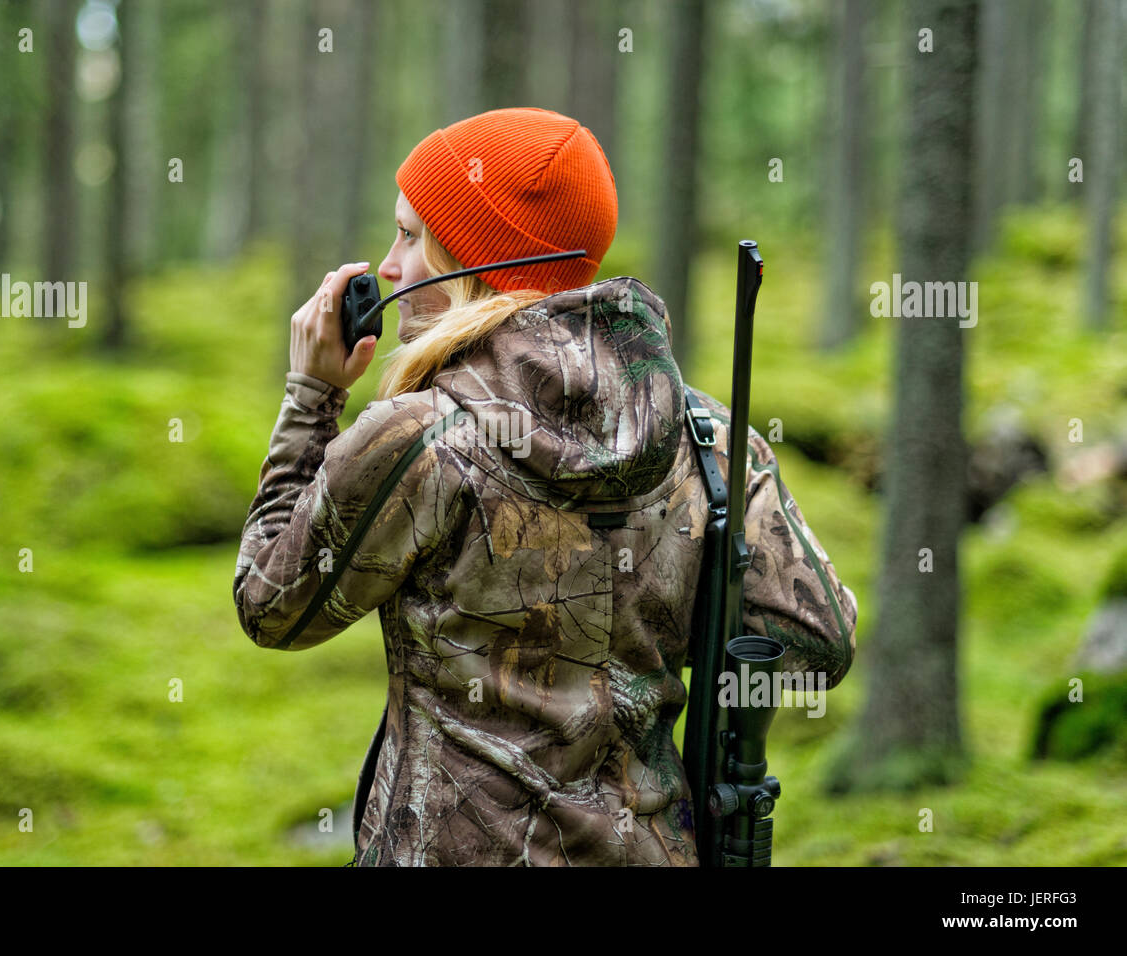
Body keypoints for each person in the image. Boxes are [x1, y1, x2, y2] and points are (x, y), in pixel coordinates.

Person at [233, 107, 858, 866]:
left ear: (472, 261)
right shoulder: (714, 440)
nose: (388, 268)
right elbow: (817, 640)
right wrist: (640, 635)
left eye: (408, 235)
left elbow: (271, 607)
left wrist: (310, 397)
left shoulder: (420, 440)